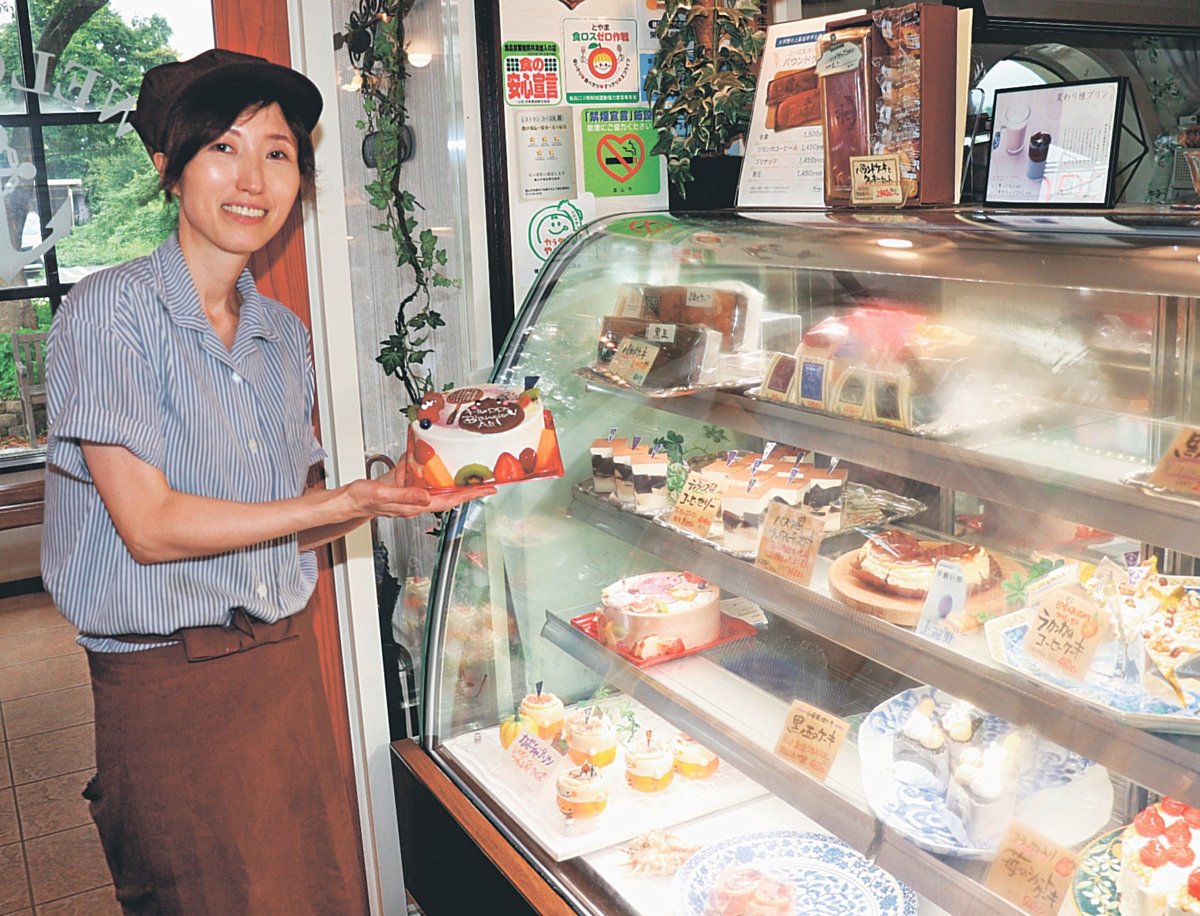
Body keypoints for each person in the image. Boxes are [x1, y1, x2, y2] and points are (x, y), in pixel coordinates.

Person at [40, 49, 487, 914]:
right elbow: (151, 524)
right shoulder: (109, 313)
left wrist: (387, 494)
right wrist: (345, 501)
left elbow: (283, 520)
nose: (252, 179)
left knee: (316, 896)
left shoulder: (281, 335)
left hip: (282, 673)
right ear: (169, 169)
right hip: (168, 688)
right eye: (224, 148)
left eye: (277, 153)